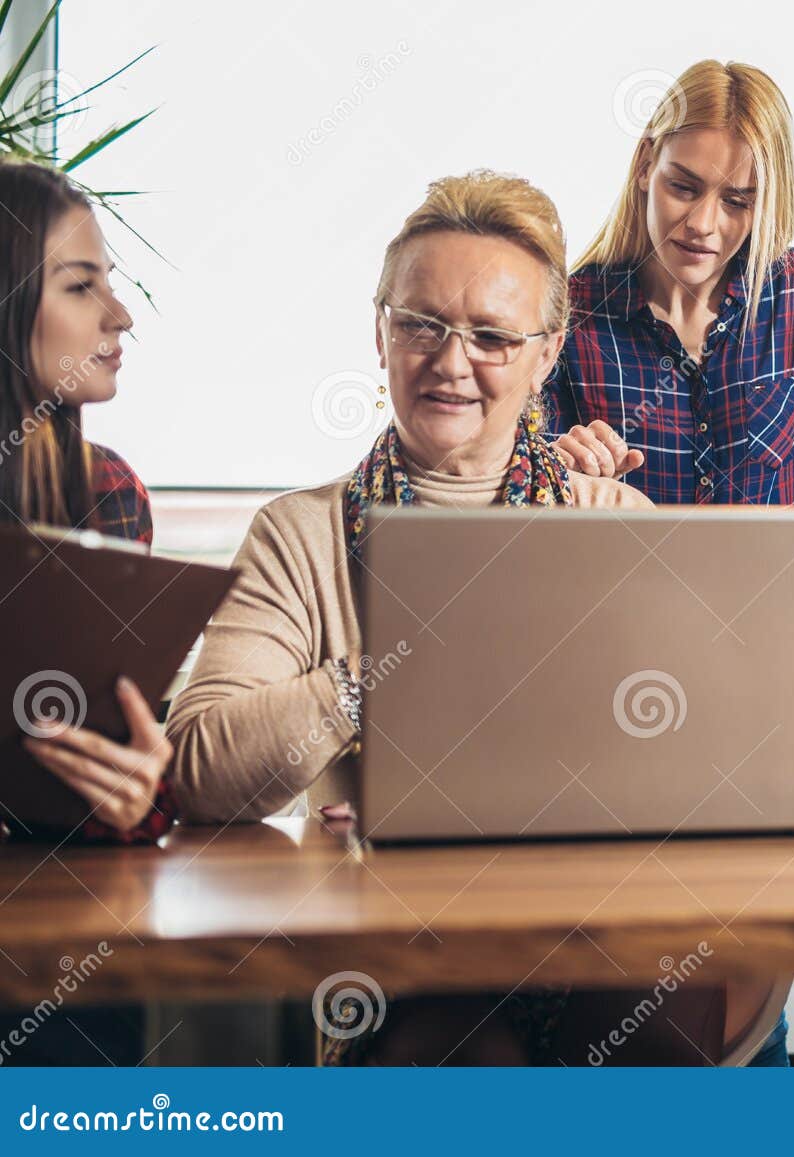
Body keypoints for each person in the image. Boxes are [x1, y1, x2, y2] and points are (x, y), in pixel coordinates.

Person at [164, 170, 739, 1065]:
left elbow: (710, 761)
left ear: (548, 354)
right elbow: (198, 768)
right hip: (399, 953)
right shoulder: (302, 533)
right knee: (466, 1056)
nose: (450, 360)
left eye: (492, 336)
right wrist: (378, 677)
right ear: (381, 332)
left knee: (674, 1011)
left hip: (598, 934)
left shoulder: (615, 523)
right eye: (421, 324)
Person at [545, 59, 794, 529]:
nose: (702, 224)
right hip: (628, 594)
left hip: (777, 593)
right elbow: (529, 477)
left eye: (737, 201)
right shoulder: (568, 312)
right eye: (682, 187)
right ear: (644, 165)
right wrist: (558, 465)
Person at [0, 157, 176, 1068]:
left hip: (56, 937)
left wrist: (139, 792)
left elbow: (121, 766)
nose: (120, 316)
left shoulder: (108, 494)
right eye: (81, 285)